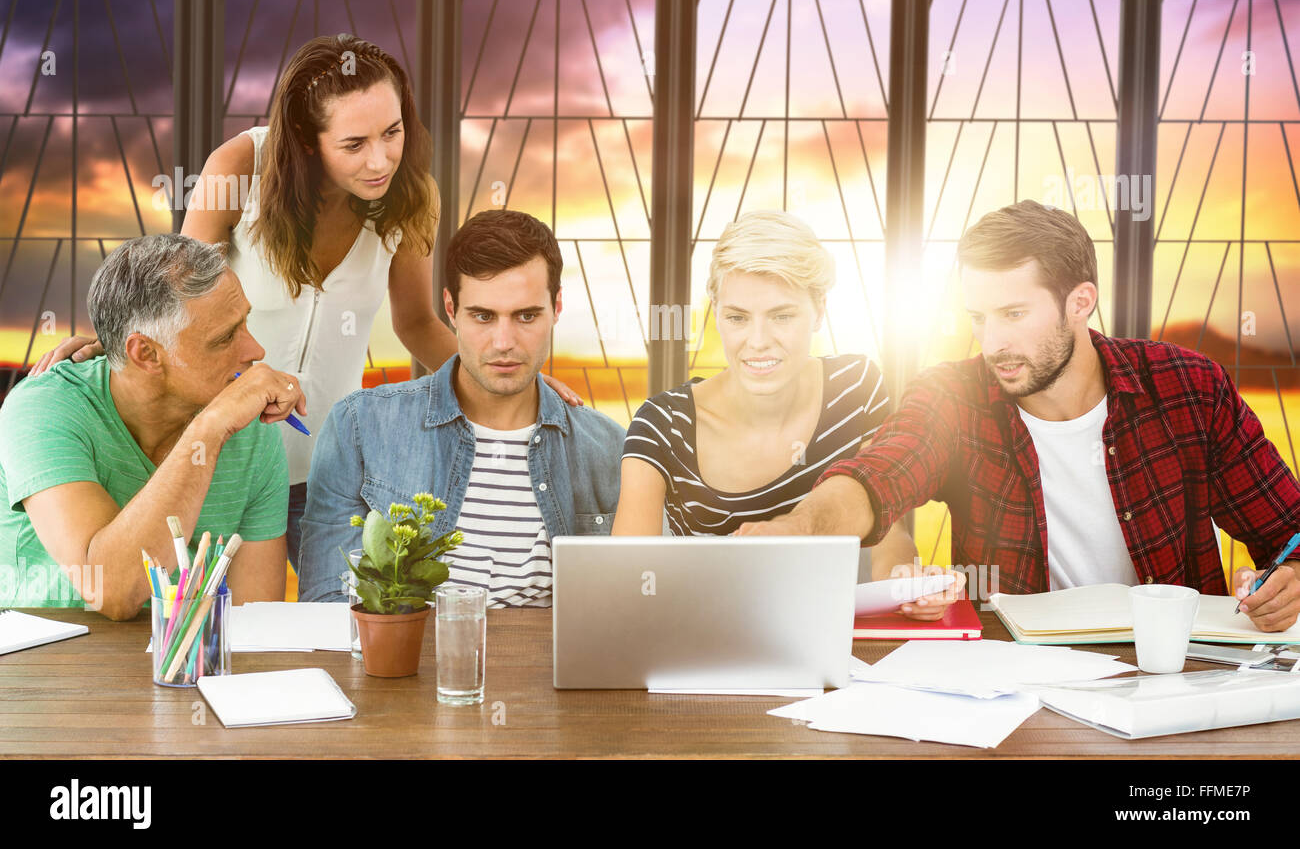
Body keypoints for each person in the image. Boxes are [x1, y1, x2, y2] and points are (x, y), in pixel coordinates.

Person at [30, 34, 583, 572]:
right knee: (213, 626)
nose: (380, 160)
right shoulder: (239, 170)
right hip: (232, 461)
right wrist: (112, 339)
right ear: (305, 136)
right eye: (354, 144)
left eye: (393, 132)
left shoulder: (414, 196)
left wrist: (502, 376)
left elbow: (416, 322)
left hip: (332, 465)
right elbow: (179, 299)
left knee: (349, 620)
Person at [737, 200, 1300, 633]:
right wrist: (792, 530)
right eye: (978, 317)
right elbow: (875, 478)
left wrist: (1289, 584)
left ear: (1080, 302)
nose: (993, 342)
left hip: (1172, 675)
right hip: (1013, 687)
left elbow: (1288, 532)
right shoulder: (953, 396)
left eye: (1013, 313)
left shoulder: (1188, 388)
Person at [612, 211, 962, 620]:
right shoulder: (662, 424)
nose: (758, 342)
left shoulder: (856, 387)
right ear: (717, 315)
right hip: (706, 640)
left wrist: (905, 589)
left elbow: (889, 538)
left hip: (831, 646)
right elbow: (627, 582)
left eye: (782, 316)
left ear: (819, 311)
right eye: (737, 317)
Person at [296, 210, 624, 607]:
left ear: (556, 308)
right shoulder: (360, 427)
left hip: (551, 667)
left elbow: (640, 609)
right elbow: (327, 602)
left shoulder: (611, 450)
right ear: (451, 309)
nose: (504, 342)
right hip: (400, 668)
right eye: (483, 316)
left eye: (526, 316)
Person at [0, 235, 298, 619]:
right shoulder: (44, 408)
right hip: (46, 667)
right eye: (225, 337)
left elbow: (256, 622)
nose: (255, 351)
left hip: (185, 667)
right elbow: (111, 592)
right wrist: (212, 426)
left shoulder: (254, 431)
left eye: (244, 323)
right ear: (145, 353)